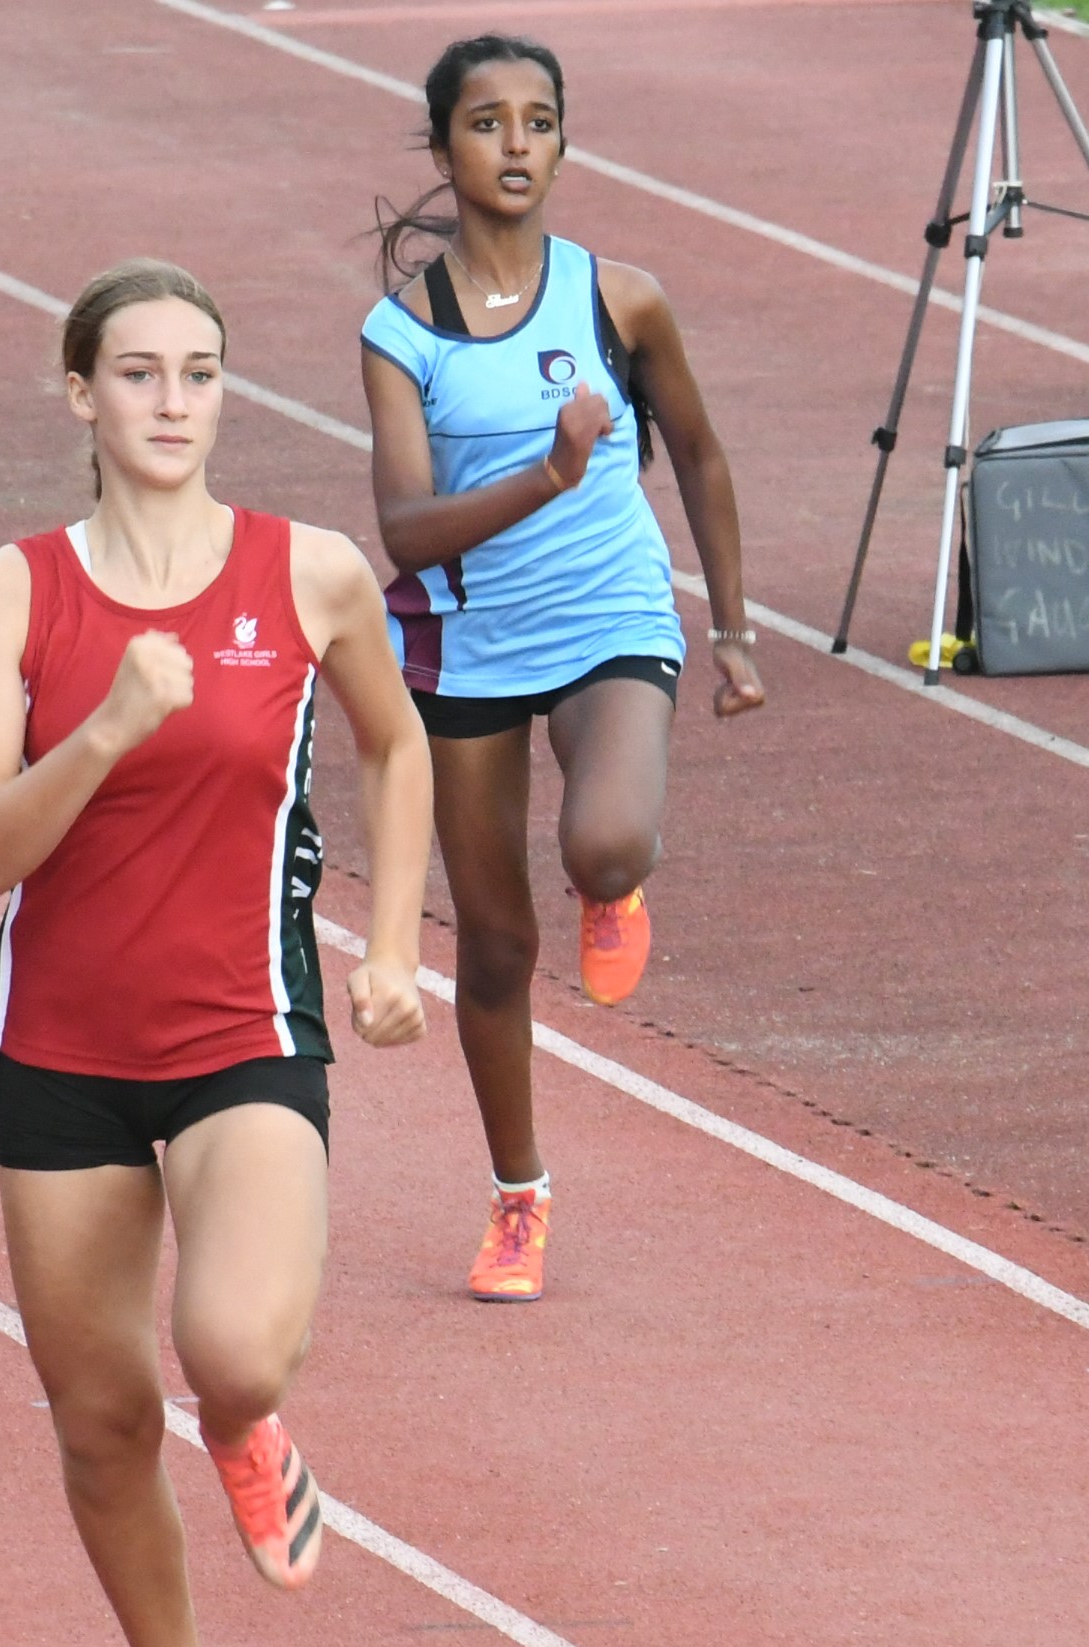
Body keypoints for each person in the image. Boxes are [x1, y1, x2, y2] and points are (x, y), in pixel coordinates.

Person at [0, 259, 432, 1647]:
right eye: (137, 374)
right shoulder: (10, 591)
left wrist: (395, 940)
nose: (170, 402)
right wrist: (101, 732)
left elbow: (394, 738)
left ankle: (243, 1423)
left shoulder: (307, 574)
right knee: (91, 1419)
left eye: (198, 373)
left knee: (227, 1349)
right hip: (60, 1046)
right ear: (79, 395)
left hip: (246, 1033)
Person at [360, 35, 765, 1306]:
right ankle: (519, 1199)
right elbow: (407, 530)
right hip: (468, 639)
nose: (518, 144)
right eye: (488, 123)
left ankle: (616, 884)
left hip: (609, 616)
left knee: (601, 844)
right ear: (443, 149)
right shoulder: (402, 333)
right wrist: (547, 469)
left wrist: (738, 631)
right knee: (490, 945)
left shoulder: (618, 299)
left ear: (564, 144)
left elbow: (696, 453)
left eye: (541, 121)